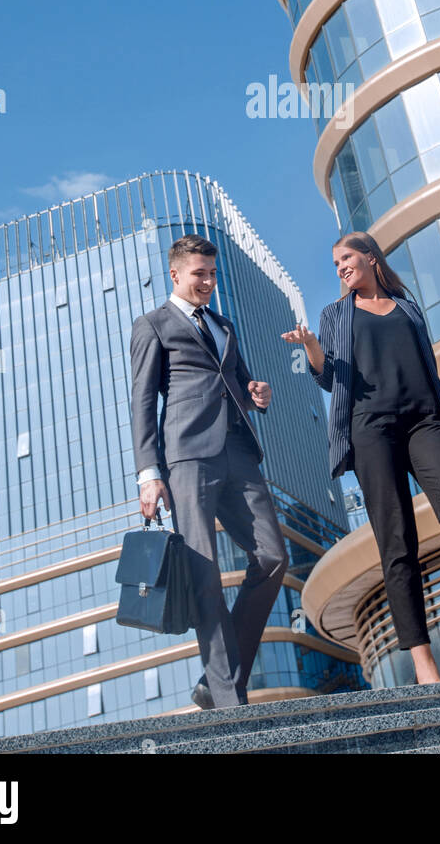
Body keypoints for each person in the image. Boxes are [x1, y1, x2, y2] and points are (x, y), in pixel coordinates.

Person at [282, 230, 440, 682]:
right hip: (372, 432)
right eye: (335, 263)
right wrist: (311, 346)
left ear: (371, 258)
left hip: (423, 425)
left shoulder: (408, 307)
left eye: (346, 258)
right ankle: (424, 664)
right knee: (396, 543)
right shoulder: (335, 314)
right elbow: (328, 377)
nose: (340, 267)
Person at [131, 233, 288, 709]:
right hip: (186, 457)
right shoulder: (153, 325)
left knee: (273, 557)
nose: (208, 282)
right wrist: (148, 472)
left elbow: (237, 383)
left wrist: (254, 393)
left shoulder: (223, 324)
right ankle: (226, 695)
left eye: (213, 274)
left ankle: (215, 680)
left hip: (238, 451)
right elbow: (141, 400)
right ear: (176, 274)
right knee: (205, 571)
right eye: (200, 274)